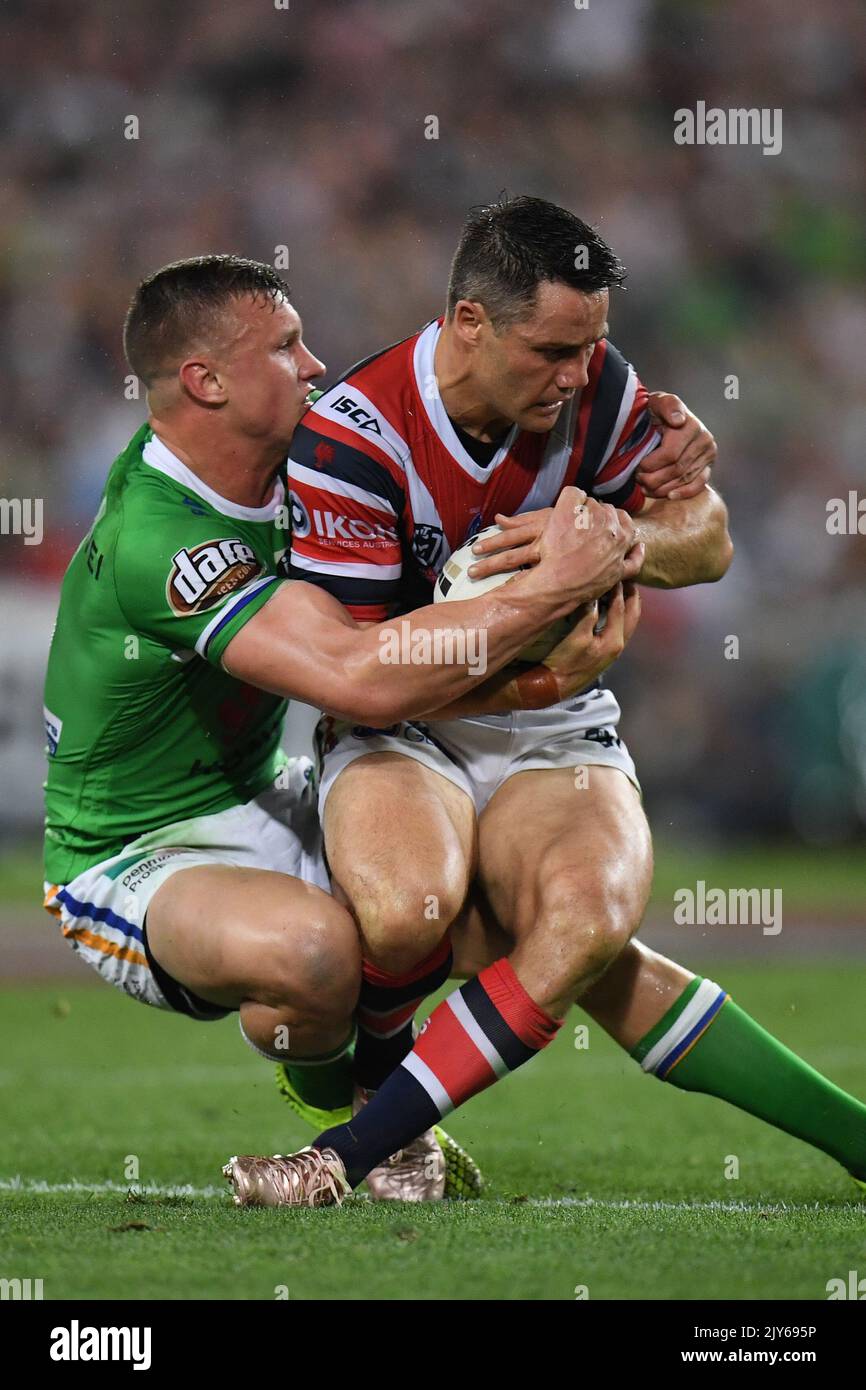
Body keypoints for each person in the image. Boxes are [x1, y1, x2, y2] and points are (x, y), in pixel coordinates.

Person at [223, 200, 866, 1207]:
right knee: (403, 914)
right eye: (554, 350)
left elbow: (707, 538)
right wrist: (543, 630)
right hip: (401, 725)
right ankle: (344, 1079)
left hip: (553, 732)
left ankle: (361, 1145)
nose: (577, 373)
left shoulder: (596, 389)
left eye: (593, 345)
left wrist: (625, 542)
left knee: (584, 917)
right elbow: (364, 670)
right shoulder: (350, 439)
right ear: (469, 324)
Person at [42, 253, 642, 1202]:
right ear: (206, 382)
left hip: (263, 789)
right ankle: (372, 1125)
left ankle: (840, 1137)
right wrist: (561, 586)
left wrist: (664, 465)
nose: (316, 364)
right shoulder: (161, 541)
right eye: (285, 348)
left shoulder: (276, 467)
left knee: (546, 922)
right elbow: (362, 681)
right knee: (320, 955)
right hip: (136, 845)